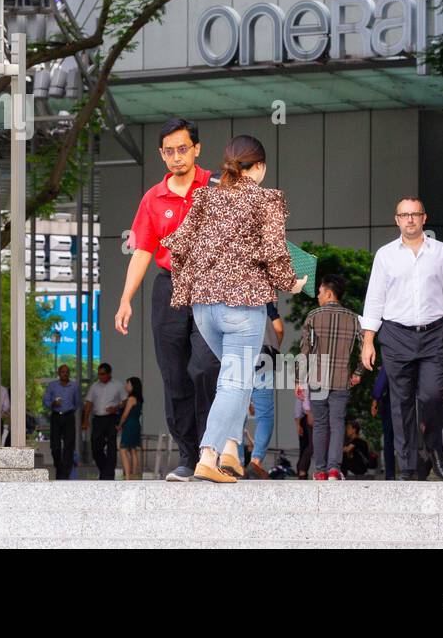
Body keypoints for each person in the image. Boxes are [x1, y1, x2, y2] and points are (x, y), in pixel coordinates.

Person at [162, 135, 306, 483]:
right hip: (242, 308)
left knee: (236, 381)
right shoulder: (265, 200)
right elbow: (274, 252)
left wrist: (189, 289)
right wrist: (292, 283)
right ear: (258, 167)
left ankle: (230, 451)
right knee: (233, 381)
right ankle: (208, 455)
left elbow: (176, 246)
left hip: (203, 309)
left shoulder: (205, 196)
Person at [114, 118, 219, 481]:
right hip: (169, 287)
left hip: (211, 286)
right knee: (175, 376)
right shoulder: (153, 198)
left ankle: (212, 448)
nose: (177, 157)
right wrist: (126, 299)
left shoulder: (217, 187)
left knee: (204, 368)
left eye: (183, 149)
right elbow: (142, 250)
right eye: (169, 151)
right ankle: (188, 456)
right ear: (162, 154)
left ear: (197, 149)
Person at [359, 196, 443, 481]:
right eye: (404, 215)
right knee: (401, 403)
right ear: (397, 220)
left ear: (424, 218)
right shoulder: (385, 255)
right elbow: (374, 300)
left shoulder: (440, 252)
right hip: (395, 335)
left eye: (415, 214)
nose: (409, 219)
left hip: (435, 333)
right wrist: (368, 341)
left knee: (433, 395)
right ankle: (407, 467)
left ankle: (433, 446)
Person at [300, 275, 362, 480]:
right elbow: (366, 349)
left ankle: (319, 471)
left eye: (319, 292)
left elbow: (305, 351)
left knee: (319, 425)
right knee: (337, 424)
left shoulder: (313, 316)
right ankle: (334, 469)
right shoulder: (354, 319)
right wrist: (358, 373)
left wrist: (299, 379)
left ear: (328, 293)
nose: (318, 296)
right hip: (342, 380)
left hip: (317, 379)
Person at [244, 301, 283, 479]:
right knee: (265, 416)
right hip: (262, 356)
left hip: (236, 357)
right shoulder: (264, 298)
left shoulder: (231, 293)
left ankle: (234, 462)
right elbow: (279, 328)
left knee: (237, 415)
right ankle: (256, 461)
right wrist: (275, 346)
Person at [84, 363, 127, 479]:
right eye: (99, 374)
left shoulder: (117, 385)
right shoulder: (94, 386)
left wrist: (116, 407)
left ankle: (109, 474)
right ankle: (104, 470)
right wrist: (85, 420)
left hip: (111, 418)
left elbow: (125, 401)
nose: (100, 376)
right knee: (95, 446)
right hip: (98, 419)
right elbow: (88, 403)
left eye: (102, 374)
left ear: (109, 374)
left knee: (111, 446)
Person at [42, 364, 80, 480]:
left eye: (67, 372)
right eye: (63, 372)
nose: (65, 374)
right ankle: (59, 466)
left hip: (69, 416)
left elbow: (77, 402)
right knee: (55, 446)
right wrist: (53, 404)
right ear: (59, 373)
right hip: (56, 416)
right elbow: (45, 401)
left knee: (69, 445)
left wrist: (70, 410)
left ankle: (66, 472)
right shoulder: (52, 386)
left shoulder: (74, 386)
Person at [370, 365, 397, 480]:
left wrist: (375, 399)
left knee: (389, 439)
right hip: (409, 399)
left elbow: (382, 378)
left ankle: (390, 474)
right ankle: (409, 469)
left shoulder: (391, 353)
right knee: (407, 437)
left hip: (391, 401)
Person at [117, 377, 144, 480]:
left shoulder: (131, 399)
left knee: (123, 449)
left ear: (133, 386)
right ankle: (134, 475)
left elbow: (125, 414)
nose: (126, 386)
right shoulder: (139, 399)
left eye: (128, 384)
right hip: (136, 424)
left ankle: (128, 476)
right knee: (133, 450)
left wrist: (119, 425)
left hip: (129, 425)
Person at [294, 393, 314, 479]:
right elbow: (299, 403)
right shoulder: (305, 384)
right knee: (308, 445)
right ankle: (301, 469)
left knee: (308, 445)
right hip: (306, 417)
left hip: (313, 416)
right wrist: (298, 424)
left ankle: (302, 469)